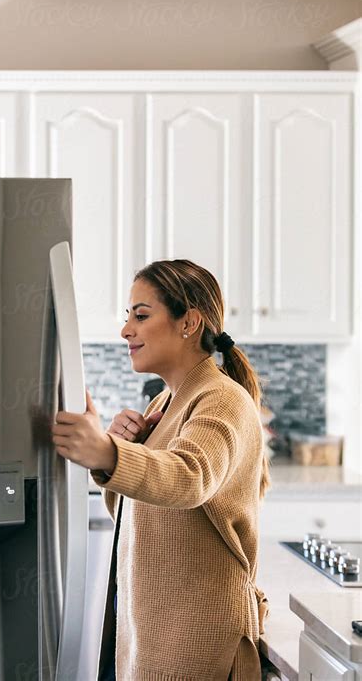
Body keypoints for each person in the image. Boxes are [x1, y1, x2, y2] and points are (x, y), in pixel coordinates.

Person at [51, 259, 270, 681]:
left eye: (141, 315)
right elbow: (145, 519)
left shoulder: (221, 399)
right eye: (127, 316)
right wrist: (120, 450)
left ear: (189, 322)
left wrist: (107, 455)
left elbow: (189, 479)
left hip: (197, 644)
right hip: (153, 639)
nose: (126, 330)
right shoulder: (164, 404)